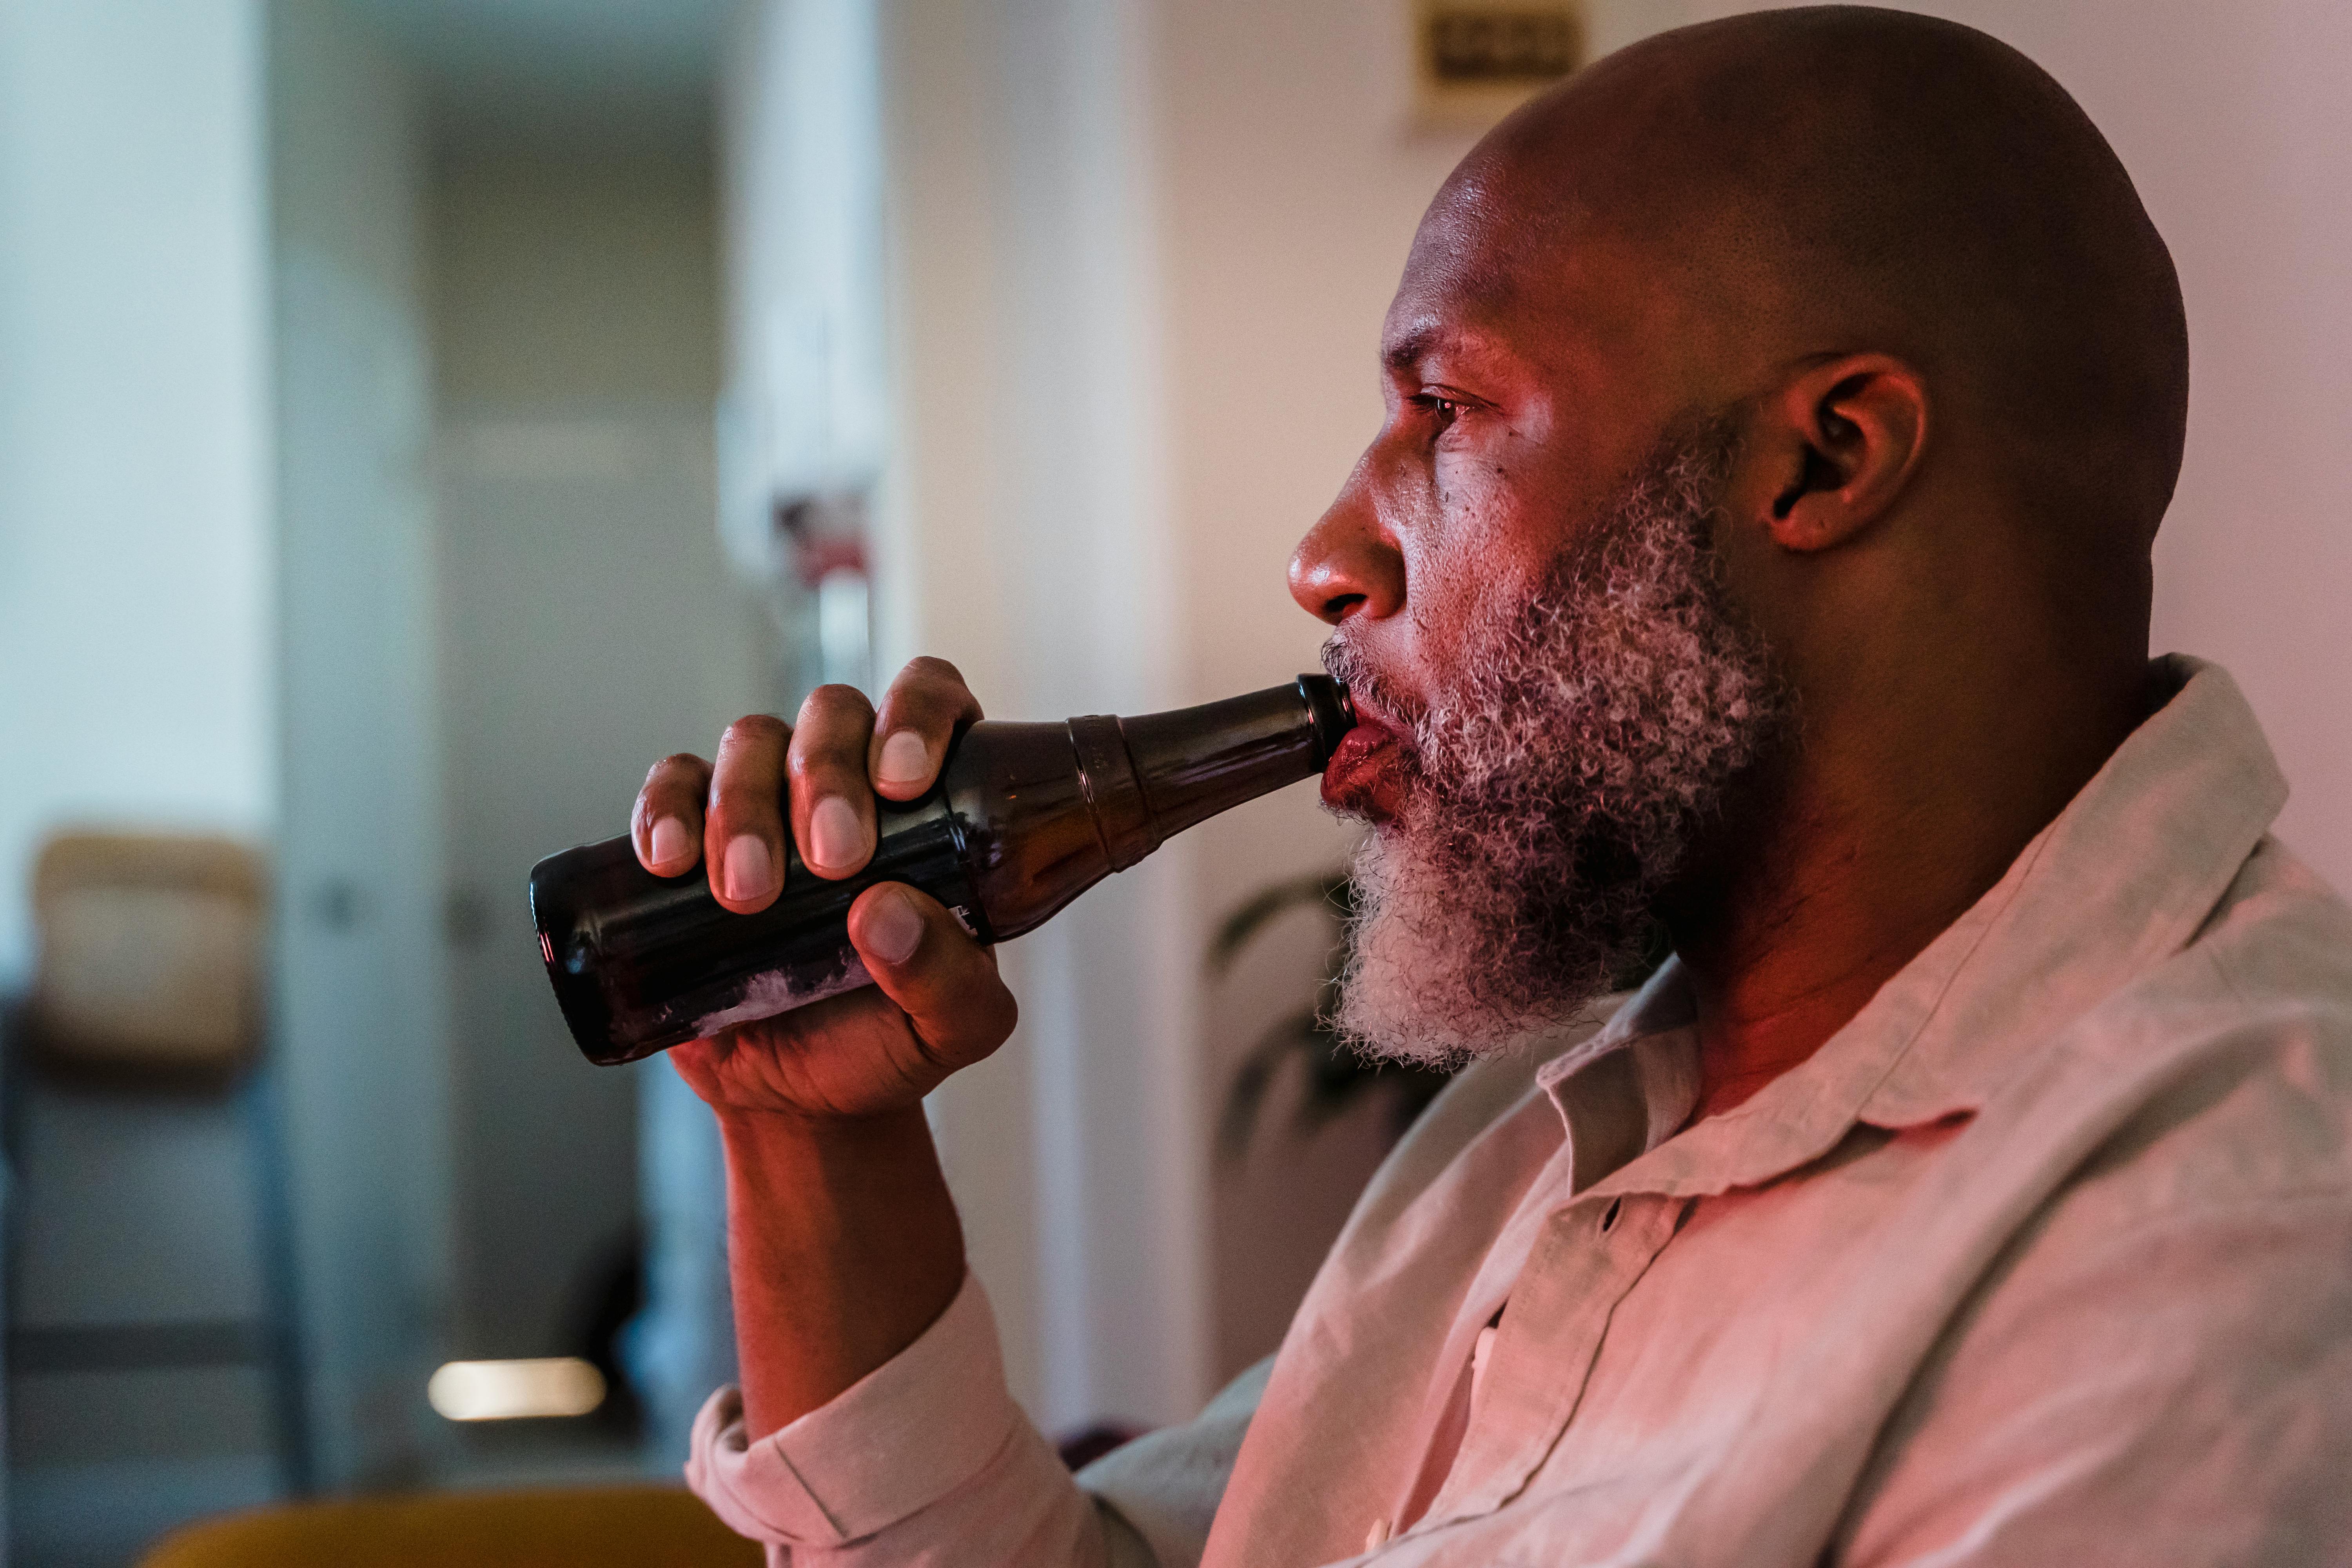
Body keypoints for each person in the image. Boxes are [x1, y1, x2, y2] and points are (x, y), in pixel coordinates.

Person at [631, 7, 2352, 1564]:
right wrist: (810, 1137)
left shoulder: (2234, 1240)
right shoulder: (1552, 1123)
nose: (1320, 560)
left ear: (1824, 459)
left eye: (1446, 408)